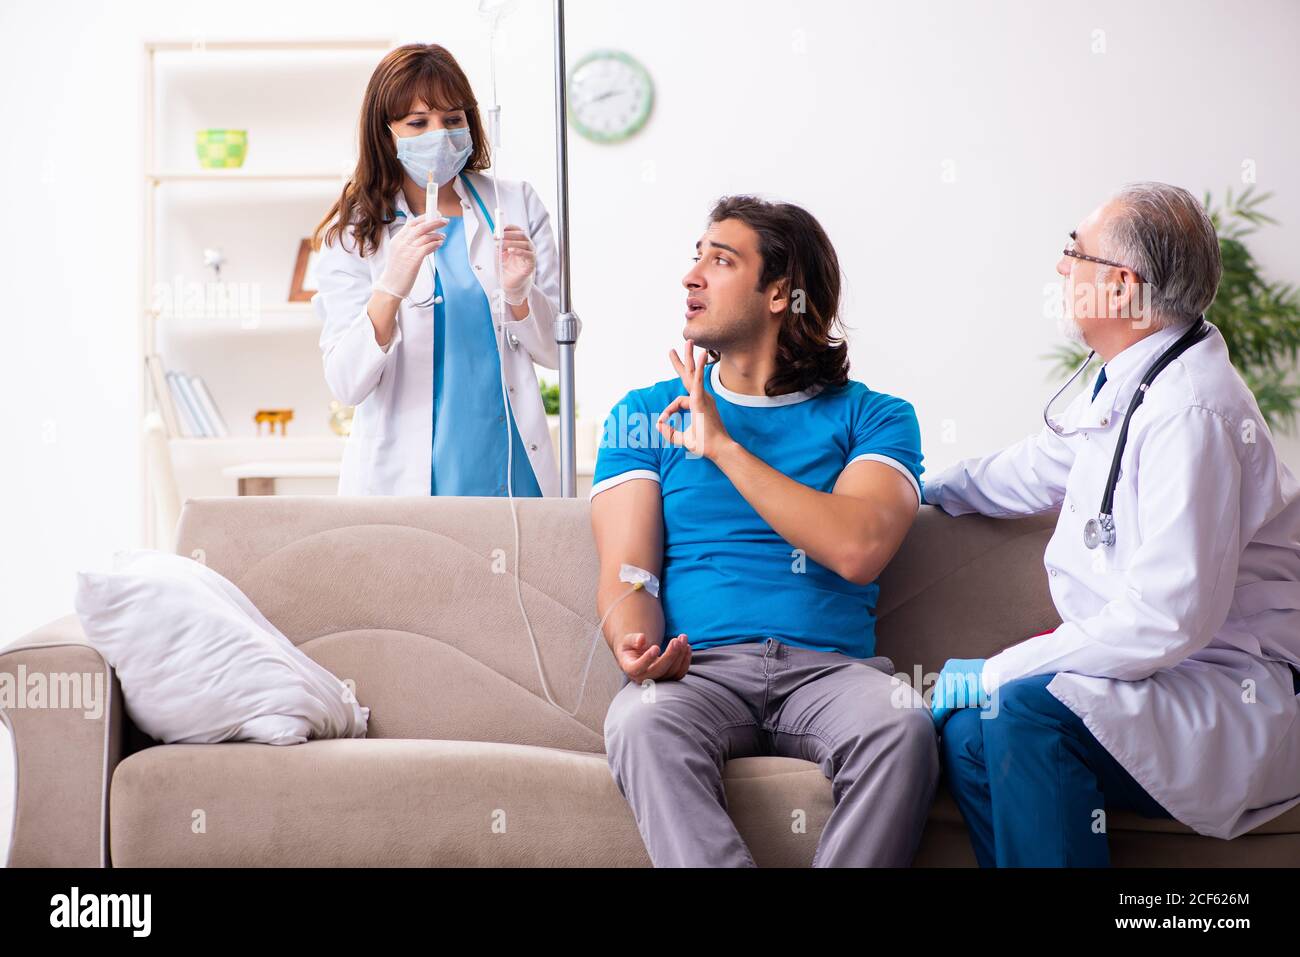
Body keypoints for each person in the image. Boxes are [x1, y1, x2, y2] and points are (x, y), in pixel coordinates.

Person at [924, 181, 1300, 867]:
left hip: (1231, 687)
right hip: (1160, 677)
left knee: (1019, 710)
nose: (1063, 269)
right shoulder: (1136, 379)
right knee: (968, 734)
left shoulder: (1194, 411)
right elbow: (1035, 466)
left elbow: (1168, 617)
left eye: (1076, 252)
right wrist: (913, 487)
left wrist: (998, 669)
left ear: (1121, 286)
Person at [592, 195, 938, 867]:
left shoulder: (876, 417)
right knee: (639, 720)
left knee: (902, 723)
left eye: (720, 261)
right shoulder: (641, 414)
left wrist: (722, 446)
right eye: (695, 258)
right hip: (700, 669)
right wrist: (631, 635)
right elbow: (630, 565)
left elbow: (857, 547)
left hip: (831, 672)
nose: (692, 276)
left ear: (779, 292)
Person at [311, 43, 577, 497]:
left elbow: (556, 353)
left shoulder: (514, 204)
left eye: (453, 120)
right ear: (385, 132)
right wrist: (389, 288)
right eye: (418, 123)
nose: (440, 134)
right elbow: (347, 383)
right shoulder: (355, 232)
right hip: (404, 480)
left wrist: (519, 296)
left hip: (511, 467)